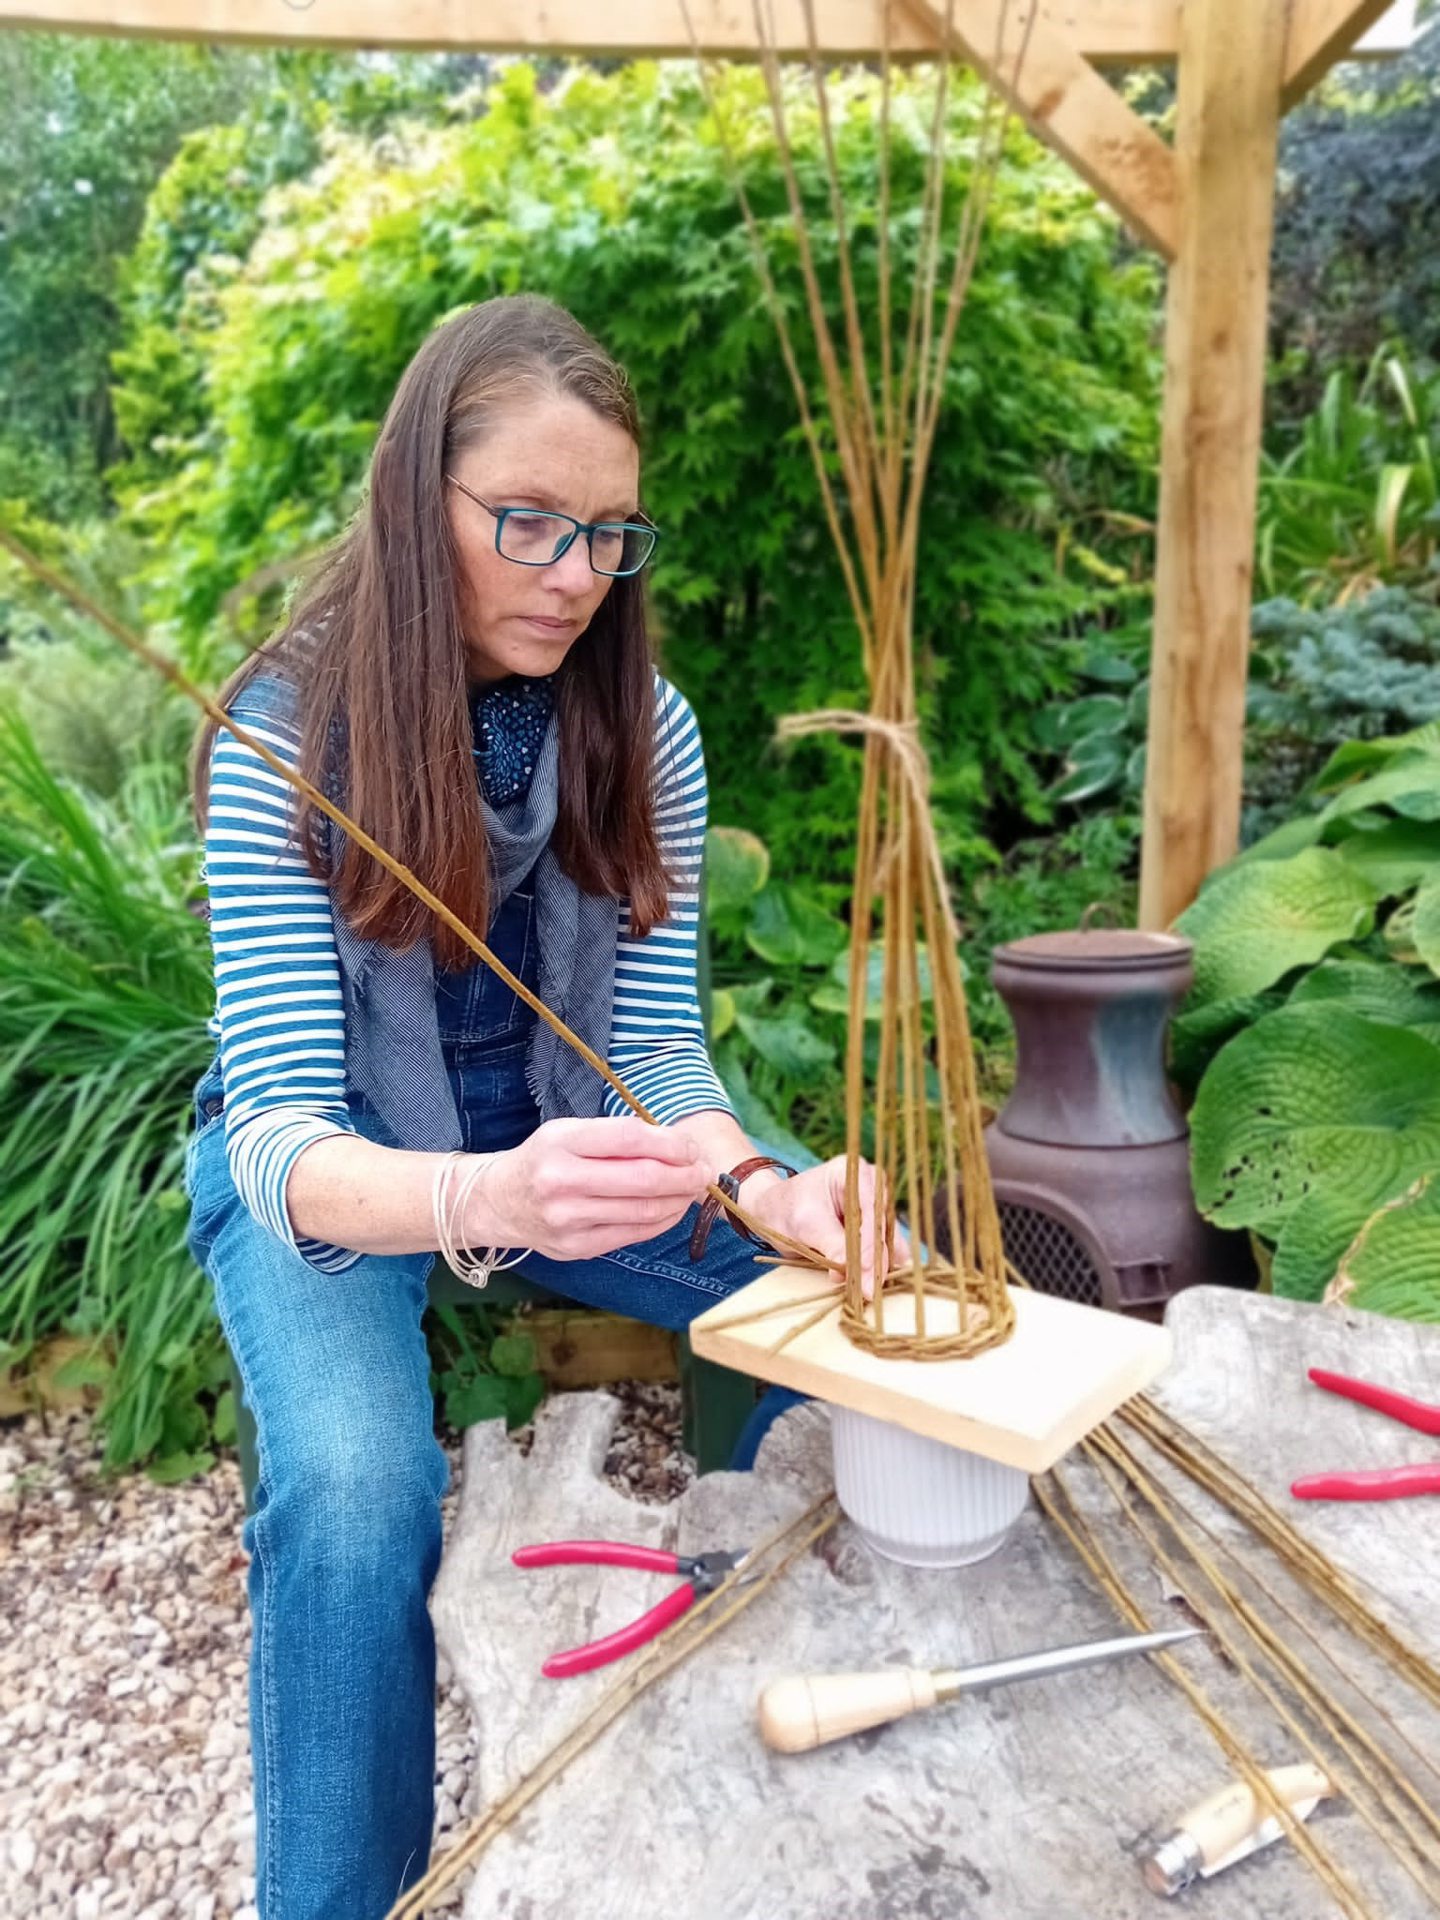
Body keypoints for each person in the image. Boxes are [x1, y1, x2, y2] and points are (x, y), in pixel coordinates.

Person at [183, 293, 896, 1920]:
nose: (576, 575)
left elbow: (654, 1058)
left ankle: (736, 1750)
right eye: (527, 522)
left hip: (564, 1129)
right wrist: (483, 1197)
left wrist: (764, 1189)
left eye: (609, 536)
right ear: (414, 499)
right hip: (334, 1169)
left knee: (842, 1306)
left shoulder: (644, 728)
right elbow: (280, 1132)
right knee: (355, 1495)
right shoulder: (280, 734)